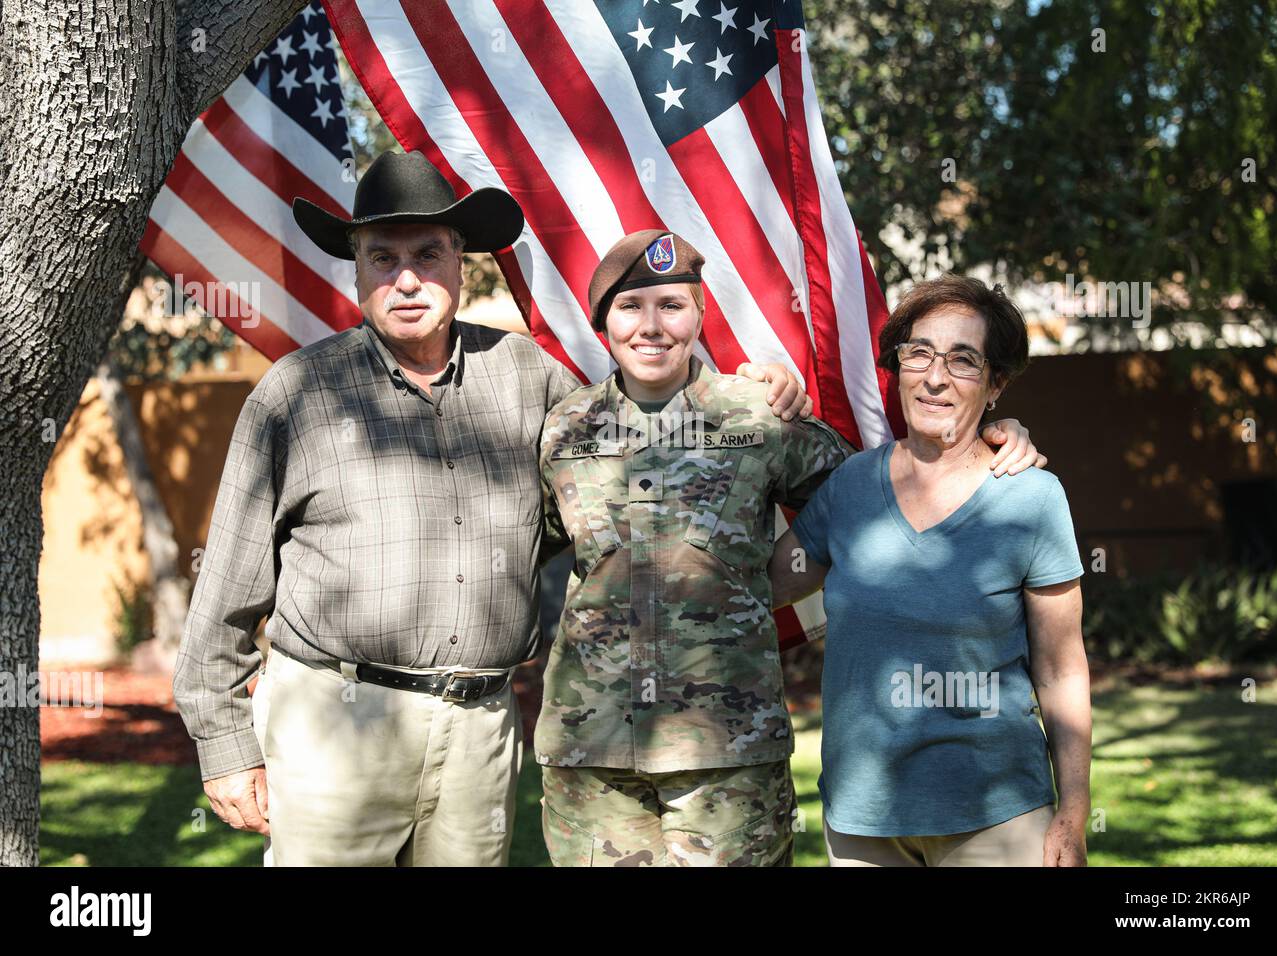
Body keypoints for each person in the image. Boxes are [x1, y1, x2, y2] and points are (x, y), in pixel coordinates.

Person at [172, 151, 819, 866]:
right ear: (355, 270)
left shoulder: (528, 379)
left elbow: (624, 457)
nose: (407, 278)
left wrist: (760, 393)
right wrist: (225, 743)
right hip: (337, 721)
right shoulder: (296, 394)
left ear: (462, 263)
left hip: (481, 727)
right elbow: (227, 586)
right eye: (382, 259)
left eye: (429, 254)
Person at [535, 236, 1046, 866]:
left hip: (729, 751)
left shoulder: (761, 416)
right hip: (592, 749)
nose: (650, 326)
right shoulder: (562, 429)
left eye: (672, 305)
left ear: (699, 314)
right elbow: (527, 541)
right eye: (629, 307)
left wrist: (991, 436)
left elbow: (886, 486)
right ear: (603, 321)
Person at [770, 274, 1091, 867]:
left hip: (997, 815)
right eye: (919, 352)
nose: (934, 376)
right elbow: (760, 587)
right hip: (864, 821)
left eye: (963, 360)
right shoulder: (851, 486)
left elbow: (1061, 669)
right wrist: (745, 423)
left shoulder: (1033, 498)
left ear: (996, 385)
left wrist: (1073, 813)